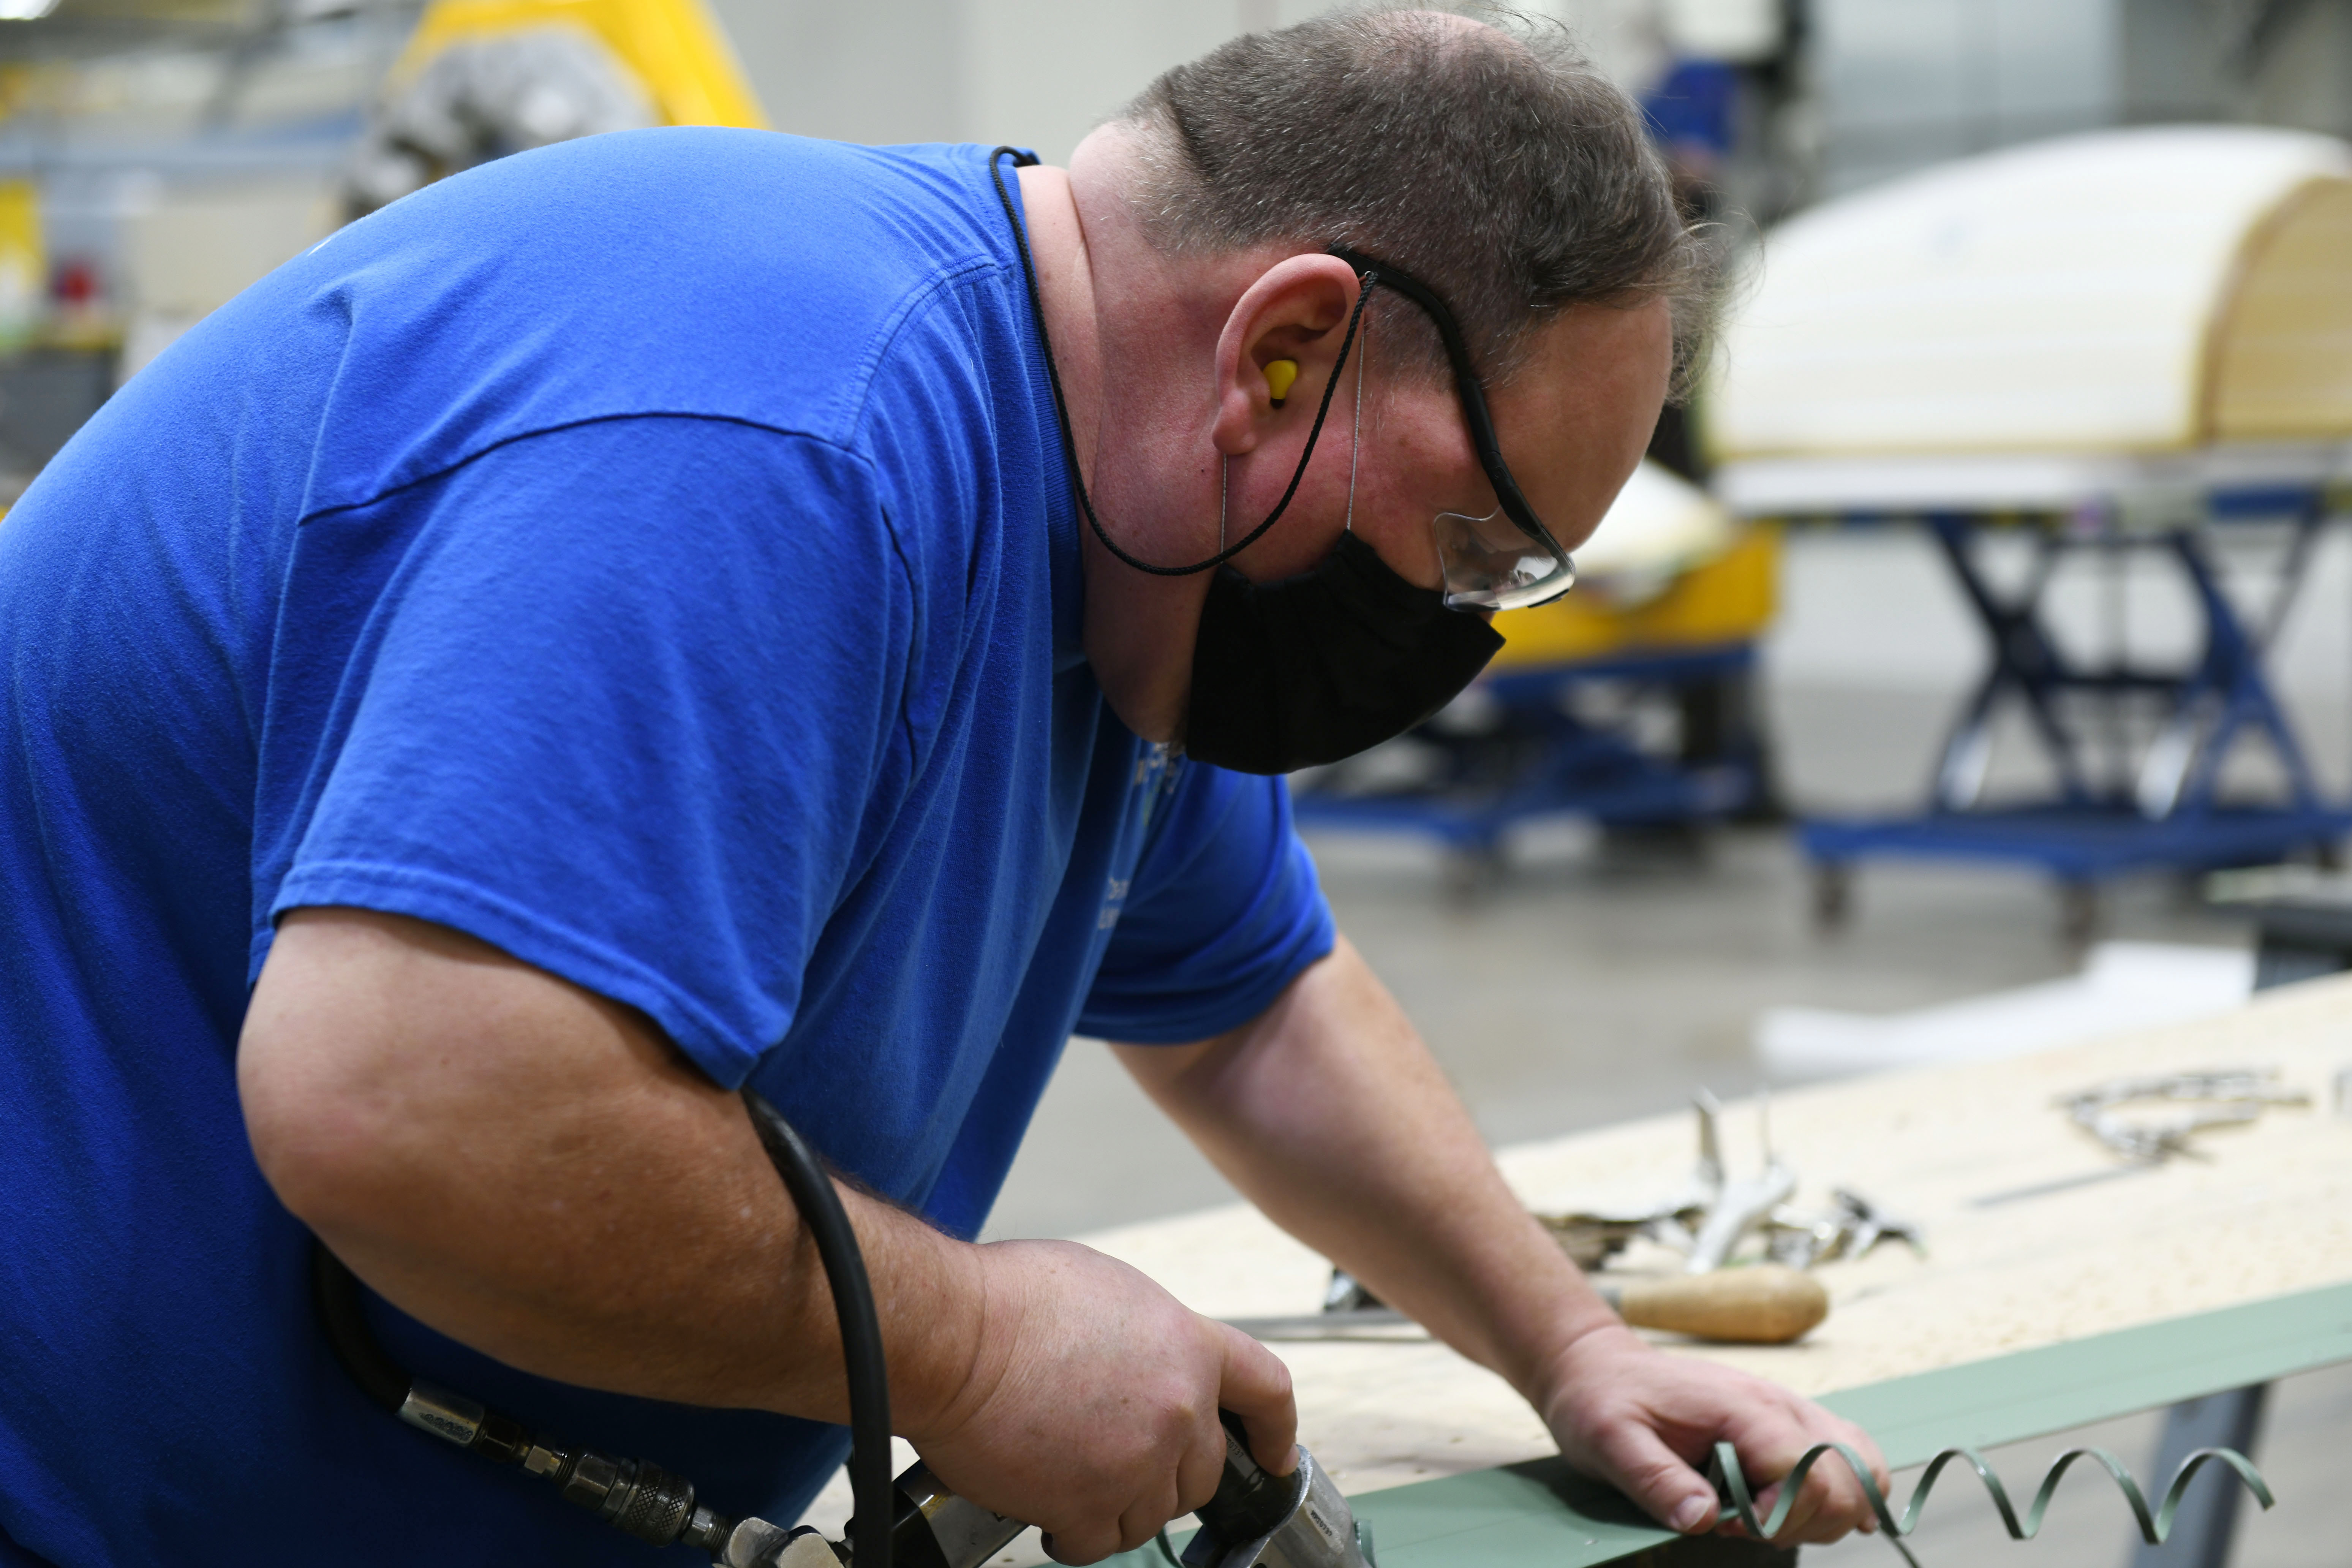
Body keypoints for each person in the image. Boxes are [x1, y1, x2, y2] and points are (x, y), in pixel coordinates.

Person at [0, 9, 1886, 1566]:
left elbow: (1256, 1009)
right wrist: (976, 1348)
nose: (1464, 620)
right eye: (1475, 540)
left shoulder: (1125, 560)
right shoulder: (775, 432)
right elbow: (411, 1105)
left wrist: (1569, 1347)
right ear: (1284, 349)